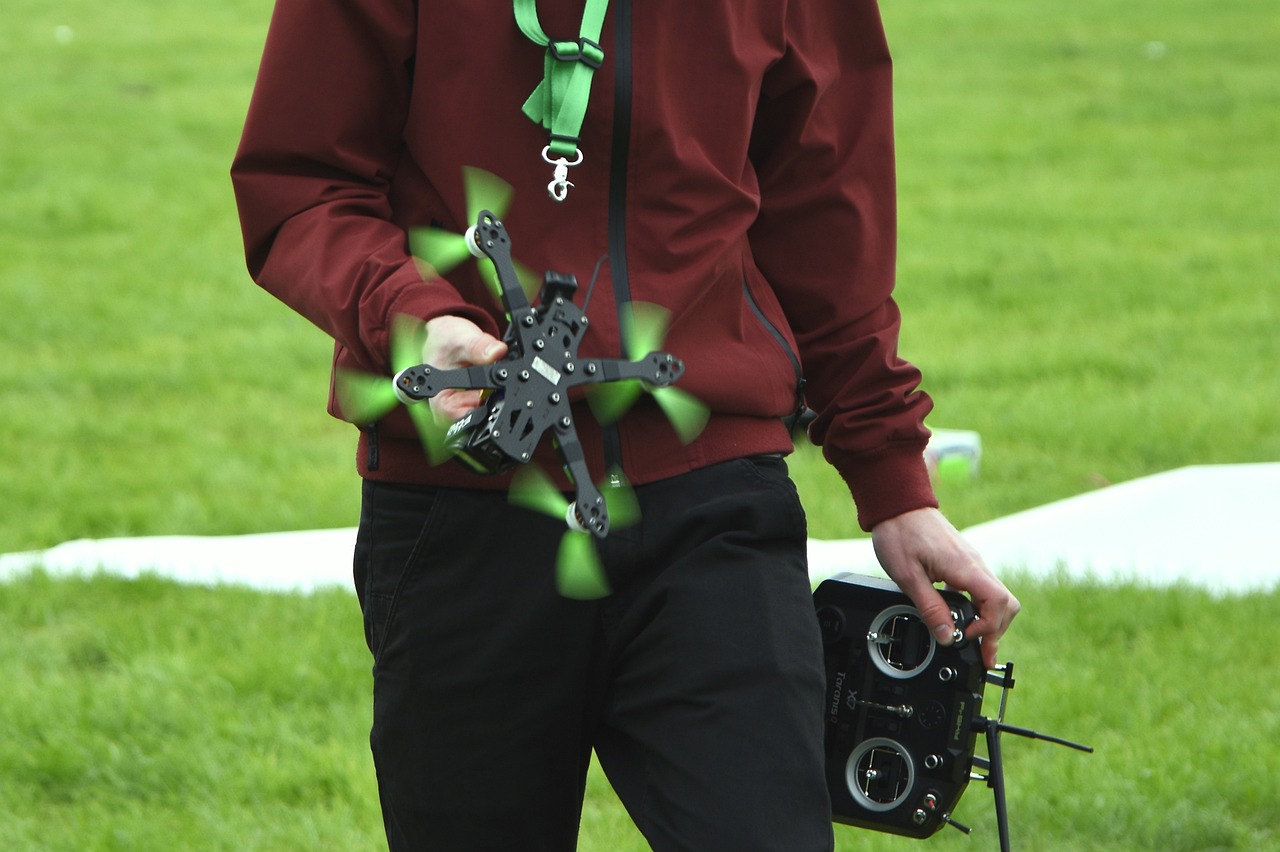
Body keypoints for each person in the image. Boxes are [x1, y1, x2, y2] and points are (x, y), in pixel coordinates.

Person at [231, 1, 1020, 849]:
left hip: (713, 505)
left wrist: (893, 479)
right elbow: (300, 181)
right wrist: (415, 315)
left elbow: (827, 210)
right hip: (460, 514)